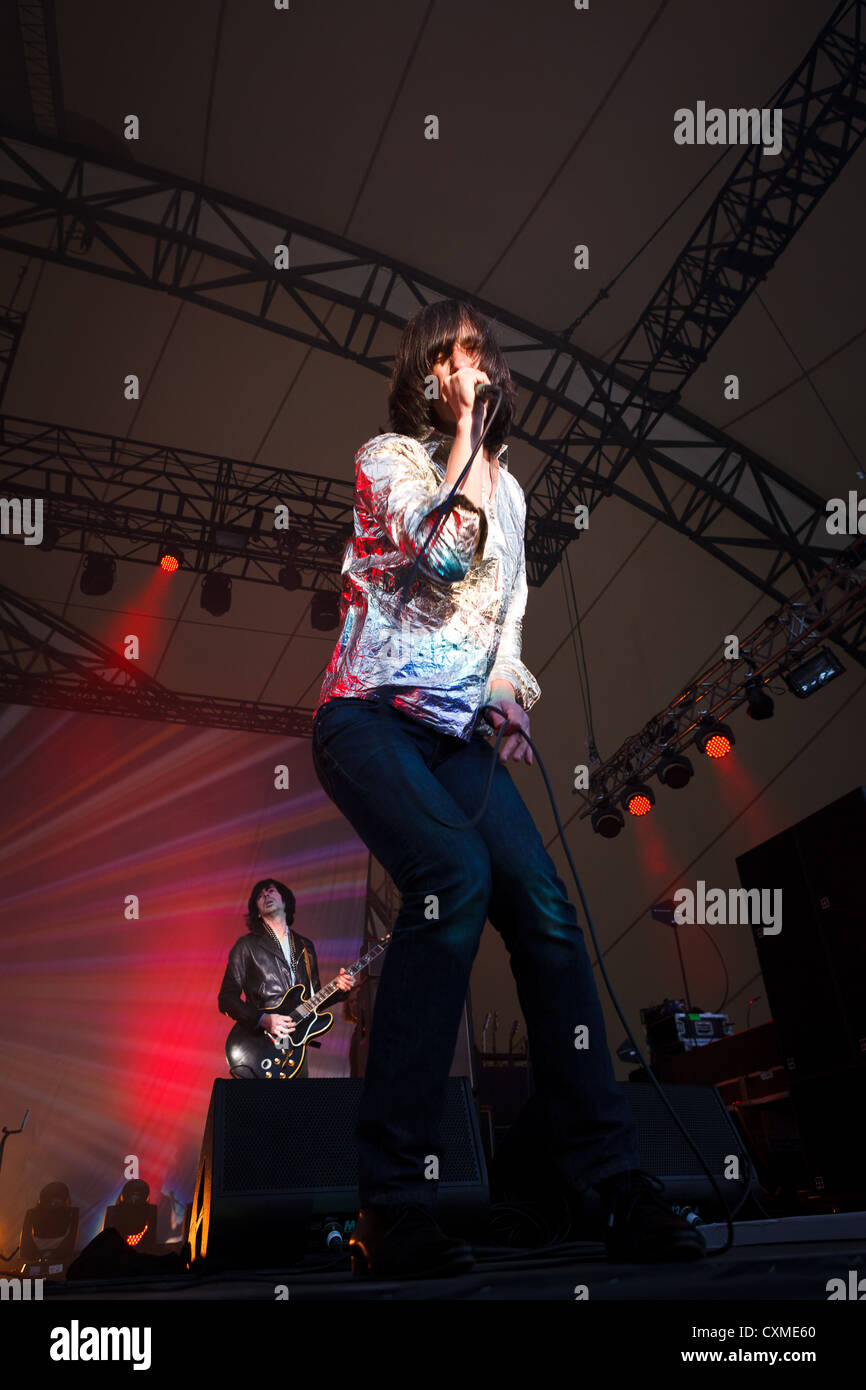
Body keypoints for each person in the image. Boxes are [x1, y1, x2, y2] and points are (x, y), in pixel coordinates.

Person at [311, 299, 706, 1277]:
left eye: (475, 353)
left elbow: (496, 615)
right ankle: (392, 1201)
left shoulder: (515, 495)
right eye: (444, 356)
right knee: (448, 874)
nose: (463, 366)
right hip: (365, 714)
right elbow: (440, 555)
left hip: (454, 736)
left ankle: (603, 1179)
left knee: (546, 910)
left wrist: (502, 693)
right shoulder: (390, 459)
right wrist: (461, 437)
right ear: (422, 376)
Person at [218, 878, 353, 1079]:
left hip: (294, 1048)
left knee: (296, 1108)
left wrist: (339, 989)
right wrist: (263, 1020)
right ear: (256, 909)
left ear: (285, 901)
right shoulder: (246, 946)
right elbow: (226, 999)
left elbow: (313, 1001)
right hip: (260, 1046)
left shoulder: (305, 946)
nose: (266, 896)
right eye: (260, 895)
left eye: (271, 891)